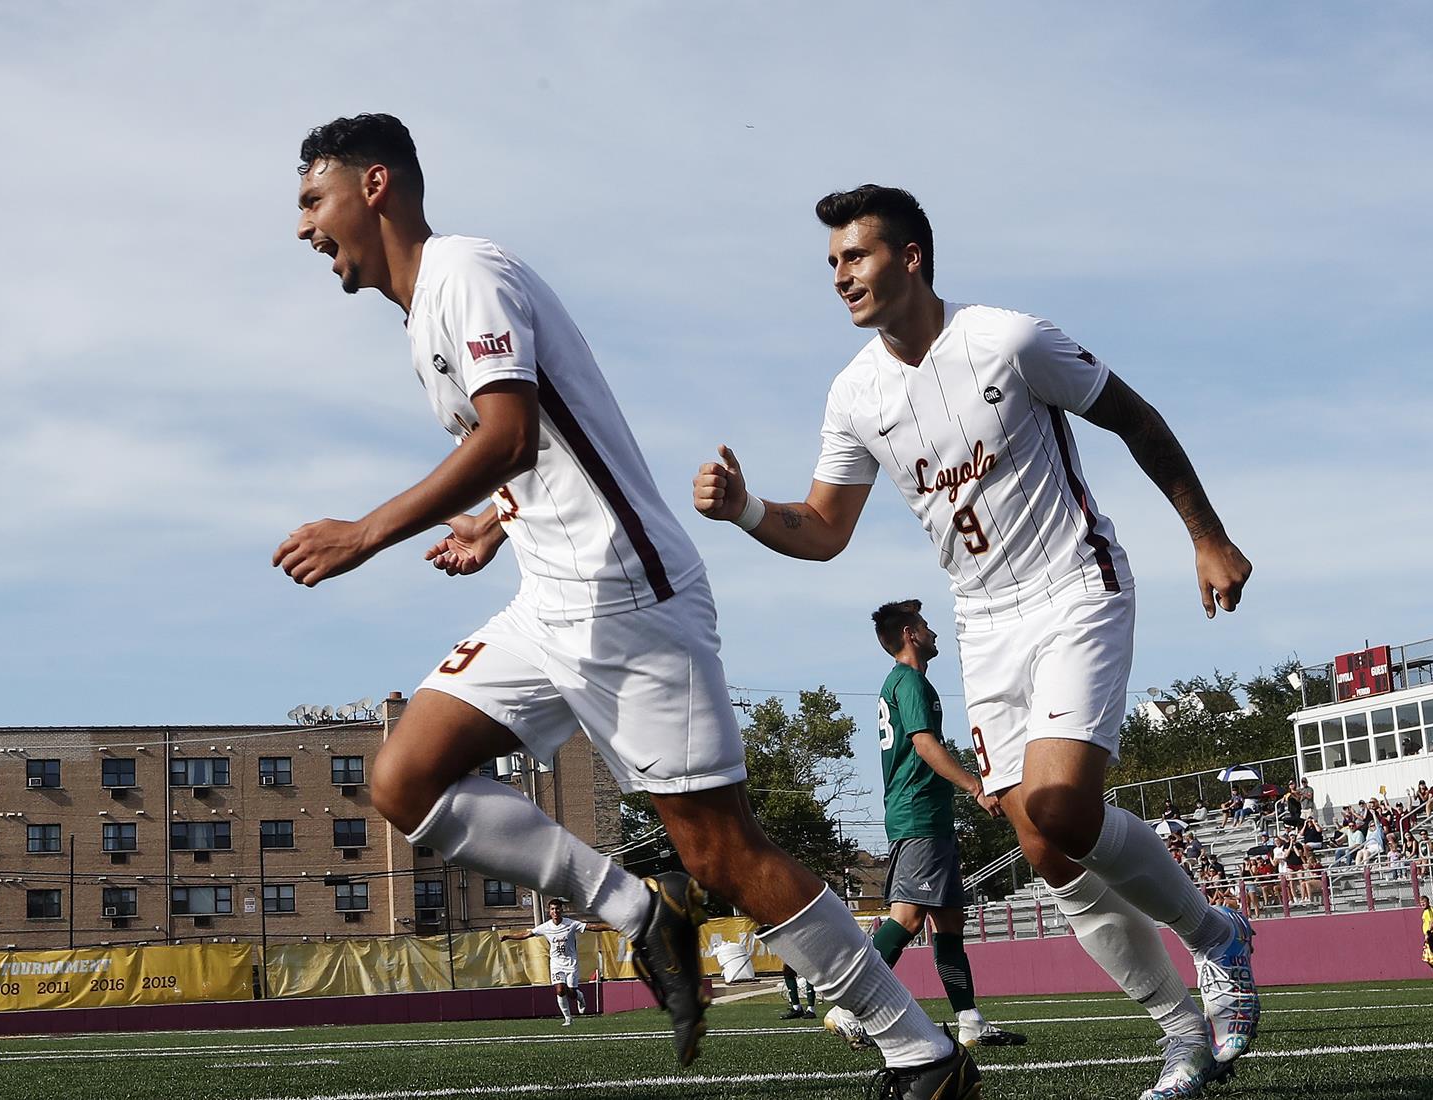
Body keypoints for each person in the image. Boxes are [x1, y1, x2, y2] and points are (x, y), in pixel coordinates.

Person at [281, 115, 973, 1096]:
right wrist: (493, 521)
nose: (305, 228)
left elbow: (512, 431)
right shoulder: (425, 314)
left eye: (314, 200)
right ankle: (641, 912)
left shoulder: (463, 273)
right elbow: (533, 443)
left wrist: (364, 530)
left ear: (375, 186)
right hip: (547, 603)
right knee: (405, 777)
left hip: (625, 596)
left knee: (724, 850)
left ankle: (923, 1052)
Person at [692, 185, 1258, 1100]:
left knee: (1066, 808)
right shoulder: (855, 395)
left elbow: (1137, 419)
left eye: (857, 257)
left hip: (1074, 584)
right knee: (1042, 846)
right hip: (984, 623)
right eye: (832, 263)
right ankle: (1181, 1035)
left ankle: (1215, 935)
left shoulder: (1008, 339)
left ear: (911, 257)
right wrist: (748, 510)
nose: (840, 276)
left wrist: (1207, 535)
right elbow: (826, 527)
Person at [823, 601, 1026, 1052]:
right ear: (911, 633)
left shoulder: (905, 682)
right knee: (909, 917)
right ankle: (848, 1007)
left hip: (929, 814)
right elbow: (924, 744)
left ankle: (970, 1021)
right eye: (927, 626)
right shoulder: (909, 680)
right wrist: (976, 786)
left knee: (950, 923)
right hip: (918, 813)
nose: (934, 632)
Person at [500, 900, 607, 1026]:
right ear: (549, 911)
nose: (555, 911)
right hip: (556, 963)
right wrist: (508, 937)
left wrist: (611, 928)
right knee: (560, 990)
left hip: (571, 962)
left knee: (571, 993)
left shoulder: (571, 924)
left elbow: (592, 927)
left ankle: (579, 997)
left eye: (557, 909)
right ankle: (568, 1018)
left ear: (561, 910)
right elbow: (527, 934)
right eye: (552, 909)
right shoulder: (546, 927)